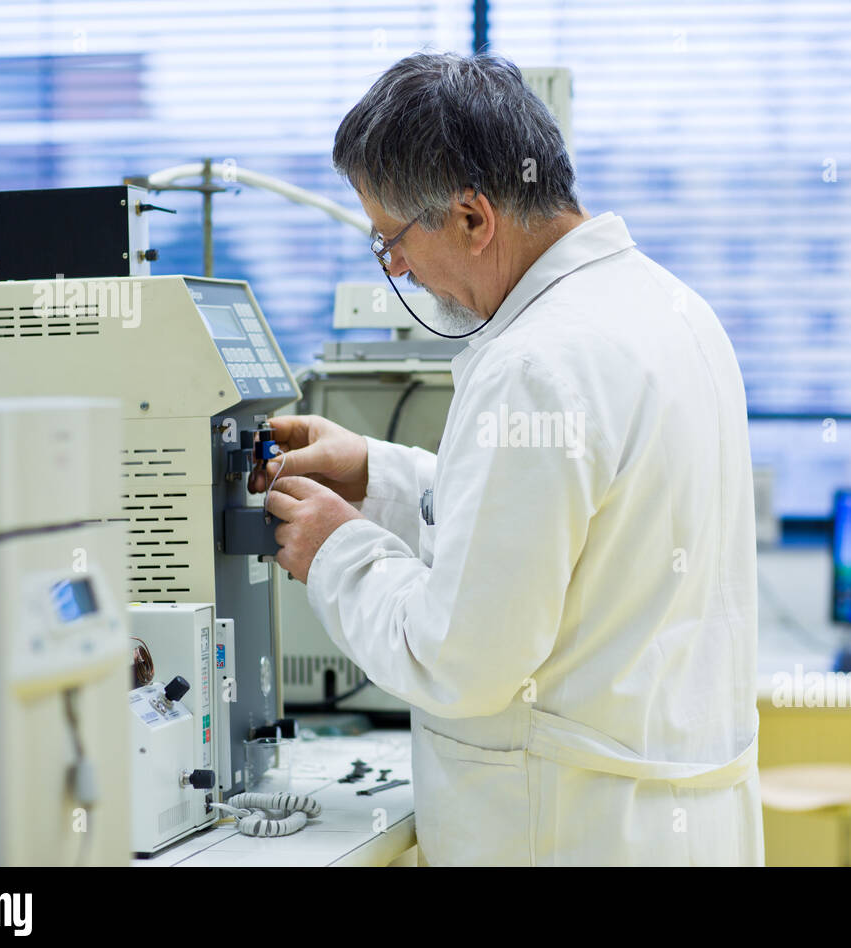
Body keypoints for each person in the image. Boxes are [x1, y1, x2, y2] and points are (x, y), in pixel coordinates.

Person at [253, 52, 763, 865]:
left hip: (568, 830)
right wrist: (375, 475)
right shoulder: (671, 310)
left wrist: (334, 551)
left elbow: (462, 661)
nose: (403, 273)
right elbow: (561, 533)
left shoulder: (537, 363)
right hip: (676, 820)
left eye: (392, 244)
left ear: (471, 218)